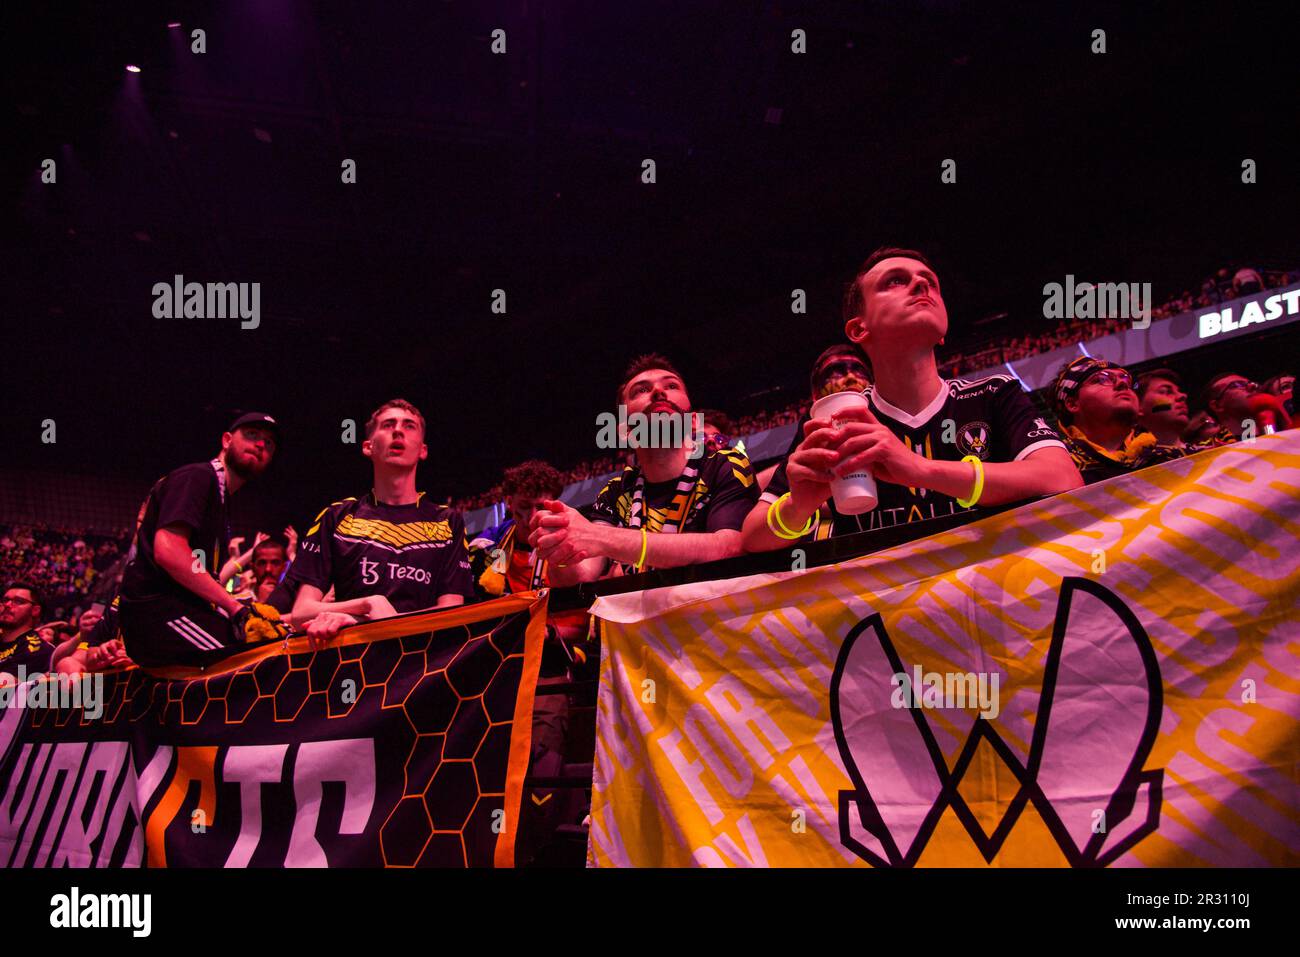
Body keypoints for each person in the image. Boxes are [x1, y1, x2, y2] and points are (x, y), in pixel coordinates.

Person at [742, 247, 1082, 550]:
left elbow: (1063, 480)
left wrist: (920, 470)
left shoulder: (995, 393)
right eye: (895, 281)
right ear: (859, 329)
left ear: (944, 329)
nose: (922, 286)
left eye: (930, 282)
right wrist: (797, 508)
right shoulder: (833, 421)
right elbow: (753, 538)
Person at [528, 355, 760, 584]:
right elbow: (583, 573)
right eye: (641, 390)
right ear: (625, 431)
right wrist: (558, 546)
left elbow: (730, 546)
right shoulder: (616, 492)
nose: (659, 392)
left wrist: (600, 537)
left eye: (671, 385)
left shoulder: (725, 463)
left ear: (692, 422)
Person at [286, 399, 475, 644]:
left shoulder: (448, 522)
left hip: (419, 666)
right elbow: (301, 613)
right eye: (388, 425)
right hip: (352, 663)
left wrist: (370, 621)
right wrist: (369, 604)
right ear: (368, 446)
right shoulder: (336, 516)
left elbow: (451, 614)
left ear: (423, 450)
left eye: (409, 426)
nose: (398, 430)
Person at [118, 413, 289, 669]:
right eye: (252, 435)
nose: (261, 445)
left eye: (269, 443)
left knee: (274, 646)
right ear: (227, 440)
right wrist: (235, 608)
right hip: (161, 613)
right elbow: (169, 550)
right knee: (258, 662)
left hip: (184, 612)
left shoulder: (222, 499)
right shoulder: (198, 477)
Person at [1052, 357, 1186, 483]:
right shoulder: (1056, 468)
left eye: (1127, 381)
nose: (1122, 383)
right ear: (1072, 404)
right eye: (1101, 379)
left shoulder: (1175, 457)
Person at [0, 582, 54, 683]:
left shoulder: (38, 648)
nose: (7, 605)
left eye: (18, 601)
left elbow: (4, 686)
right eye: (5, 600)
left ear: (35, 610)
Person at [1200, 373, 1263, 445]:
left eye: (1251, 383)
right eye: (1236, 385)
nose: (1252, 386)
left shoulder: (1276, 431)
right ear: (1217, 406)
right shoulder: (1209, 452)